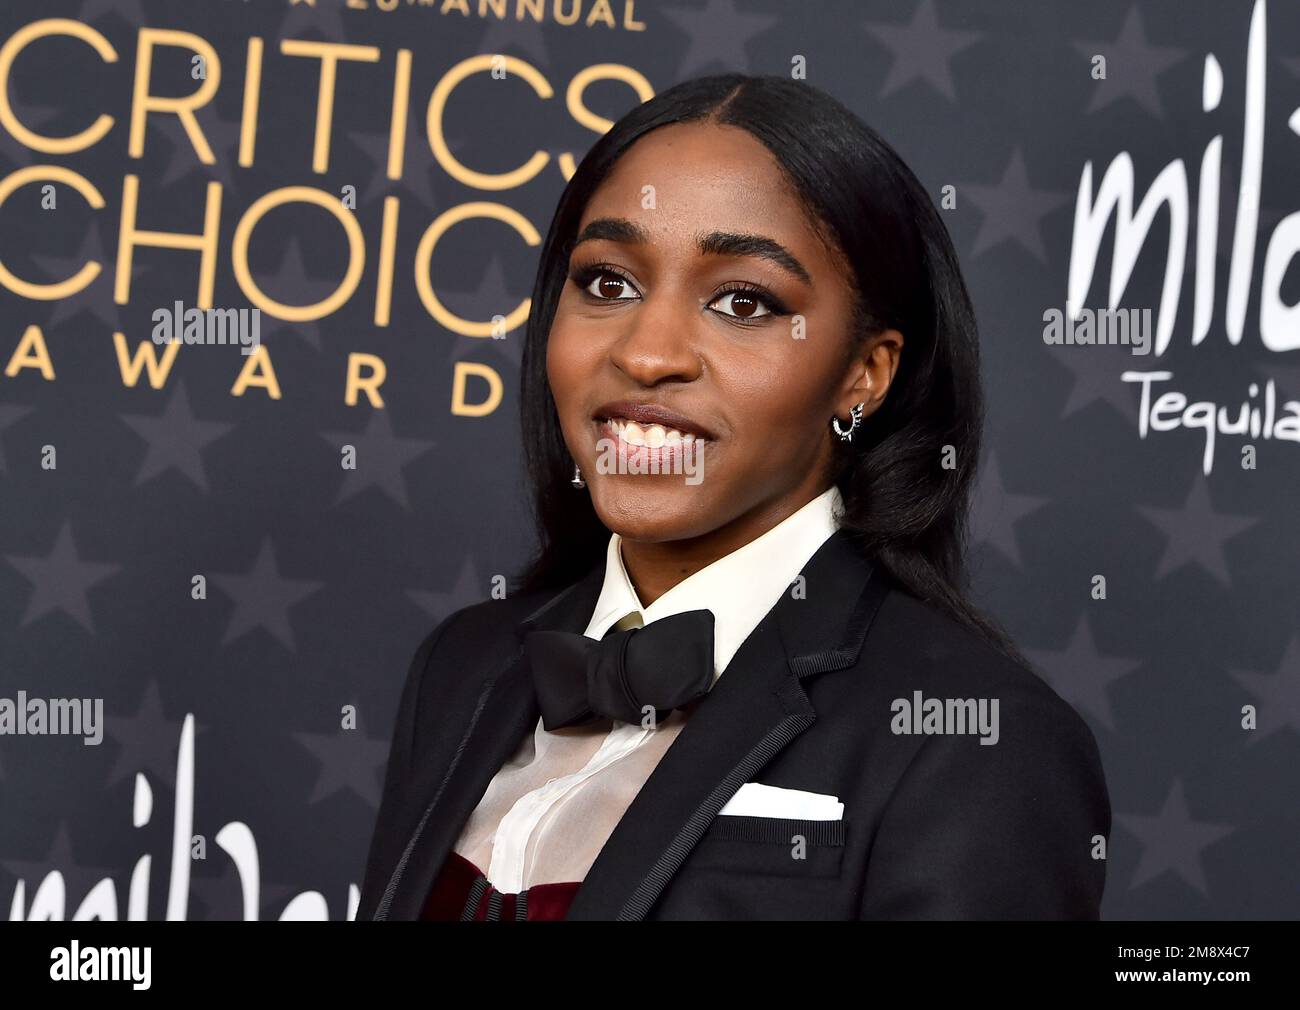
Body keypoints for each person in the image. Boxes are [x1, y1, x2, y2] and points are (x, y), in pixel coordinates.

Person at [356, 73, 1111, 921]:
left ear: (864, 374)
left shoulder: (981, 746)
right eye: (608, 283)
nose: (648, 354)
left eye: (743, 301)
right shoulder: (464, 668)